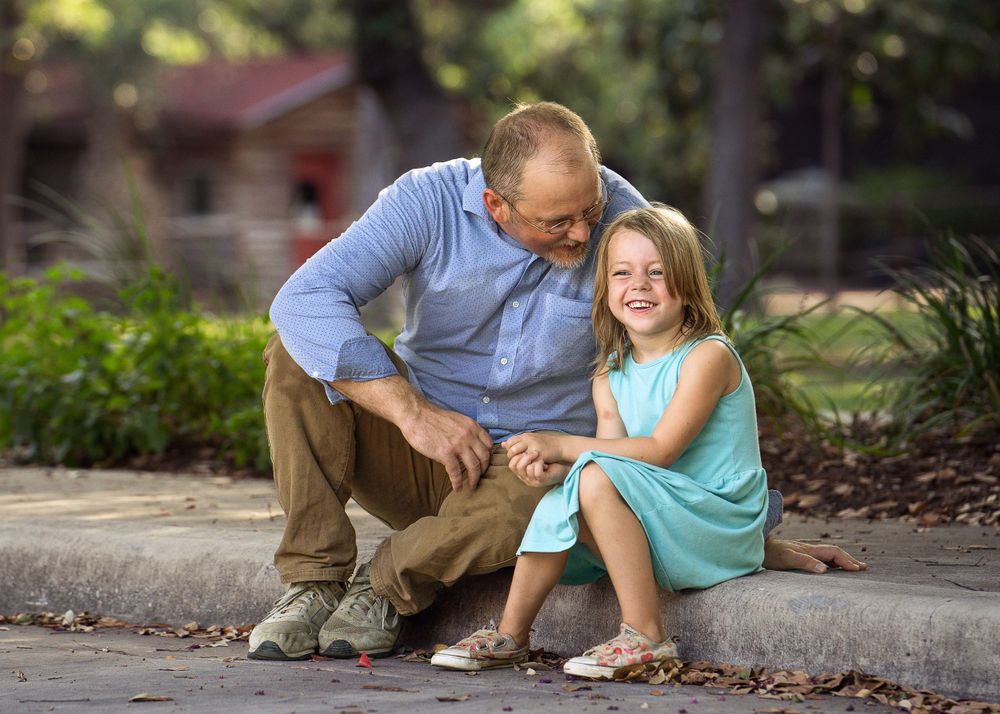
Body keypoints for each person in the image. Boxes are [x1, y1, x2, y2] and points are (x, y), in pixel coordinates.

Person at [249, 102, 865, 662]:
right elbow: (303, 299)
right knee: (297, 356)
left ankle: (383, 585)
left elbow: (674, 381)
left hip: (529, 473)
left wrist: (729, 534)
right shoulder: (427, 202)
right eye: (557, 222)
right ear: (497, 205)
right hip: (419, 449)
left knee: (559, 493)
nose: (584, 234)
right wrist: (413, 414)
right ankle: (313, 582)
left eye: (590, 210)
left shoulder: (627, 227)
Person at [432, 205, 786, 677]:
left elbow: (658, 452)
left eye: (657, 272)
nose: (639, 285)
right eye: (622, 273)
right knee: (569, 490)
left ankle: (647, 635)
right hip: (666, 523)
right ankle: (511, 636)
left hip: (717, 524)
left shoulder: (707, 357)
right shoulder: (611, 373)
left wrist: (562, 444)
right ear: (605, 289)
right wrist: (557, 473)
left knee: (591, 476)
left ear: (688, 284)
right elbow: (610, 463)